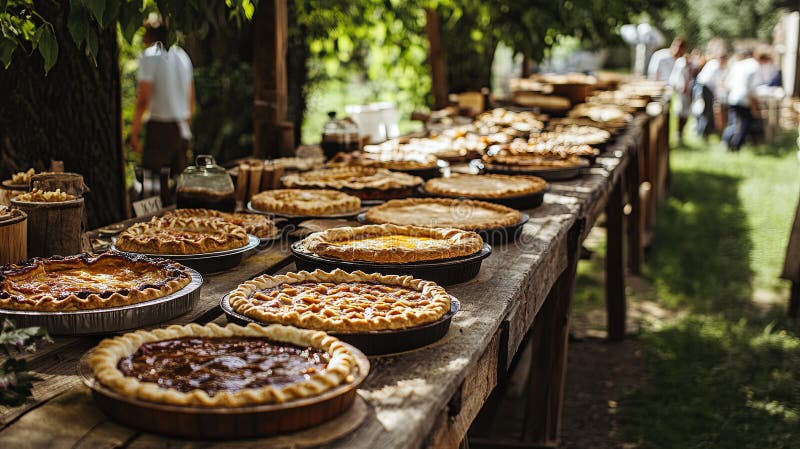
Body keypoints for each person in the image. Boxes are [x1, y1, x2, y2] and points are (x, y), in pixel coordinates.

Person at [129, 18, 195, 177]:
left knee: (153, 185)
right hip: (182, 127)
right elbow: (191, 100)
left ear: (151, 35)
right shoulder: (182, 56)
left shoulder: (151, 55)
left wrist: (134, 132)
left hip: (160, 128)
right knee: (179, 187)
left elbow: (144, 98)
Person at [721, 48, 772, 151]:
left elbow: (729, 81)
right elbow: (751, 91)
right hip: (743, 99)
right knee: (744, 124)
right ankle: (736, 147)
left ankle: (726, 142)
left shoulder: (741, 64)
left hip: (733, 97)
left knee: (733, 123)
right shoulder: (755, 67)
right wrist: (755, 108)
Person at [693, 41, 728, 137]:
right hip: (704, 88)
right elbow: (716, 82)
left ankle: (703, 131)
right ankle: (702, 132)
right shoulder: (715, 64)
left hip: (704, 87)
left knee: (704, 110)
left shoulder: (714, 64)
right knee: (705, 110)